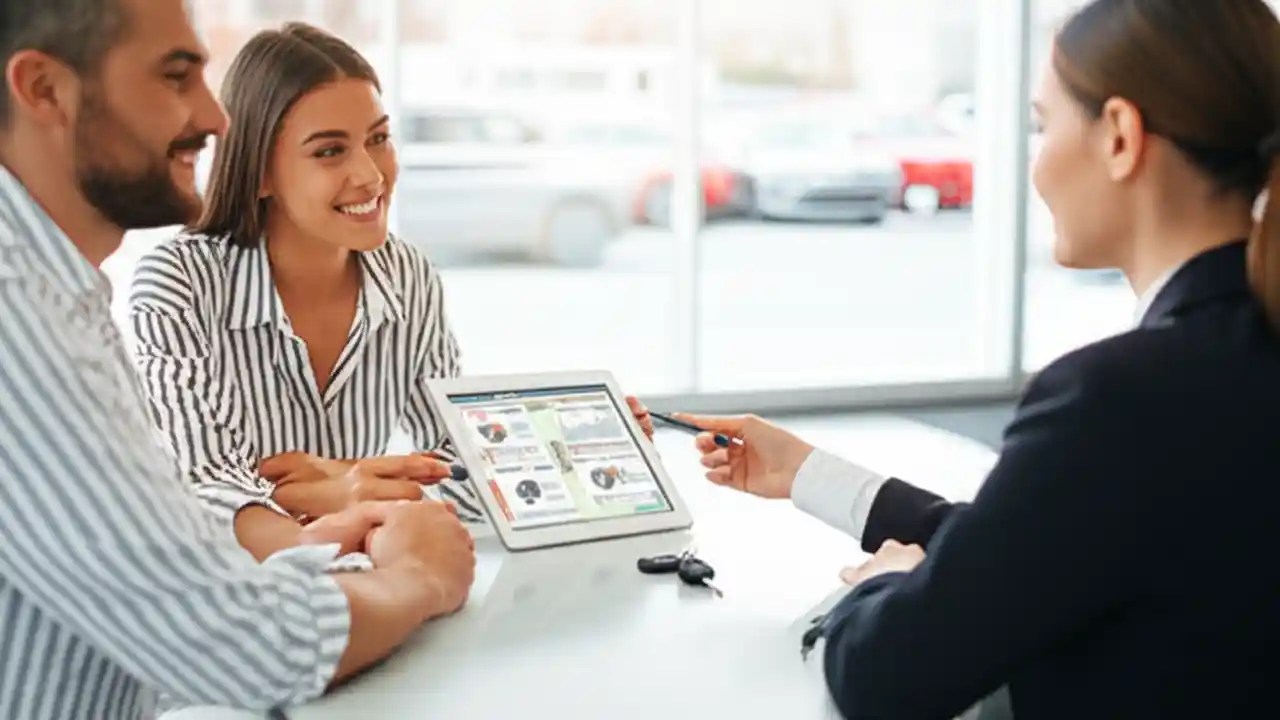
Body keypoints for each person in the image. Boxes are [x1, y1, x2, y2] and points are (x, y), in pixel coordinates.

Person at [683, 1, 1280, 717]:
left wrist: (883, 585)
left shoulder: (1121, 397)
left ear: (1119, 136)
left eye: (1042, 124)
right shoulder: (1232, 360)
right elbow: (1041, 546)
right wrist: (811, 475)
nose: (1036, 163)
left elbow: (884, 677)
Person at [0, 0, 475, 716]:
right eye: (174, 76)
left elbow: (461, 457)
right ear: (44, 90)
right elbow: (240, 641)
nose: (215, 120)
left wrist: (337, 490)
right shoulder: (22, 317)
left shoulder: (62, 294)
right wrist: (416, 574)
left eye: (378, 138)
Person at [127, 23, 656, 559]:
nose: (371, 175)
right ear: (260, 173)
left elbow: (460, 468)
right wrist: (342, 500)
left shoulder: (407, 276)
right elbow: (203, 490)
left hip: (368, 572)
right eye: (330, 152)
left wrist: (342, 482)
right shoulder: (180, 285)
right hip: (231, 594)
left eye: (378, 139)